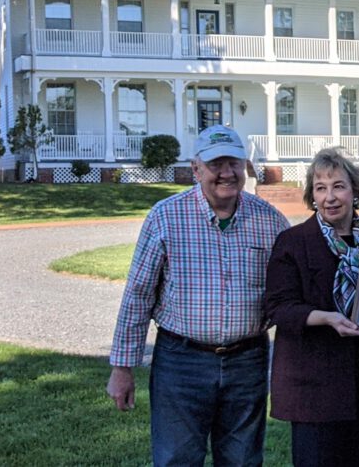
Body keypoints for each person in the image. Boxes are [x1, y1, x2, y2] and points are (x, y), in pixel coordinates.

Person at [106, 125, 290, 467]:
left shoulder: (270, 221)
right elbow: (138, 295)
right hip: (181, 361)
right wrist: (122, 368)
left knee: (243, 460)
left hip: (247, 360)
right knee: (177, 459)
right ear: (196, 169)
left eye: (234, 163)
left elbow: (291, 292)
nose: (226, 173)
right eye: (215, 164)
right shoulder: (166, 217)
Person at [265, 148, 359, 467]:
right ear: (312, 195)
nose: (330, 197)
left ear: (355, 191)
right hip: (315, 387)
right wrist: (326, 318)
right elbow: (278, 308)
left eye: (338, 186)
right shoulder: (293, 242)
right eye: (320, 188)